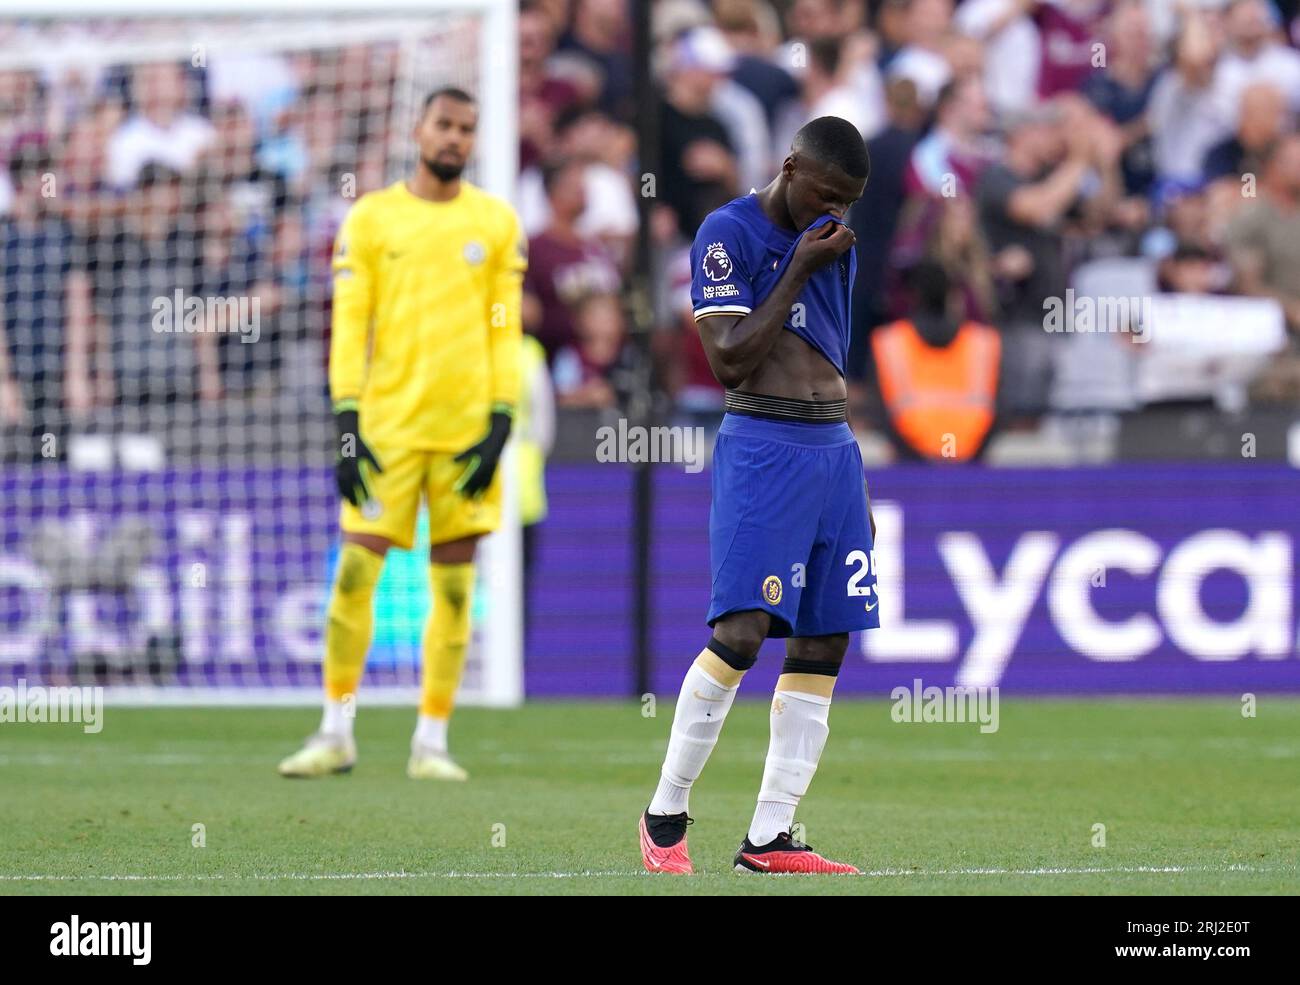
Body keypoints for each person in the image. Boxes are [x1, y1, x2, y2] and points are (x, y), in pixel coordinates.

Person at [639, 116, 879, 875]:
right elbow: (733, 361)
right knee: (741, 633)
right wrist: (799, 267)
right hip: (762, 444)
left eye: (847, 202)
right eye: (825, 194)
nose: (833, 212)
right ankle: (665, 813)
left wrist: (847, 462)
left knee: (825, 637)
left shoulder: (833, 237)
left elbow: (827, 354)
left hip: (832, 449)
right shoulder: (725, 233)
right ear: (790, 167)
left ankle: (771, 835)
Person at [277, 87, 526, 781]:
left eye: (466, 129)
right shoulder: (372, 218)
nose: (454, 138)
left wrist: (502, 417)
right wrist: (346, 419)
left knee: (453, 589)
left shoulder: (496, 223)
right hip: (387, 427)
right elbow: (349, 324)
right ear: (417, 130)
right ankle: (335, 730)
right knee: (356, 570)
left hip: (465, 430)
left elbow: (505, 328)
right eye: (444, 125)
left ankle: (432, 741)